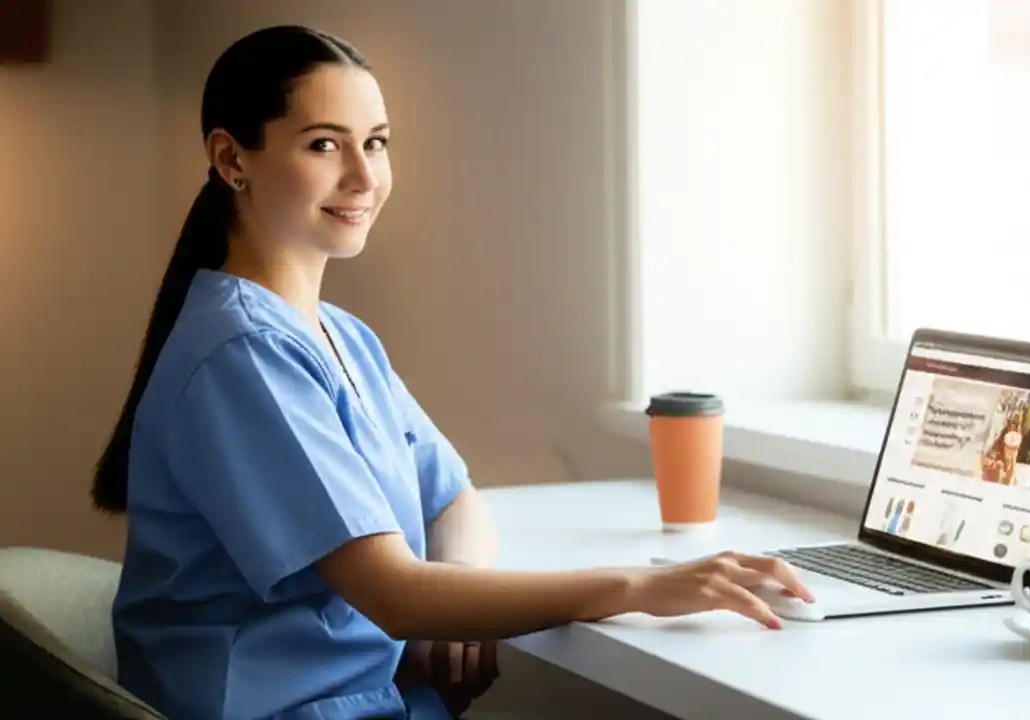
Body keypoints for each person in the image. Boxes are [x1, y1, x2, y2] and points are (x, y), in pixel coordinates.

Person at [91, 26, 812, 720]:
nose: (364, 175)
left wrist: (456, 593)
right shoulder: (242, 354)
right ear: (231, 159)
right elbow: (395, 596)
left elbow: (455, 499)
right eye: (323, 145)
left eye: (376, 143)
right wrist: (643, 586)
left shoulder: (340, 337)